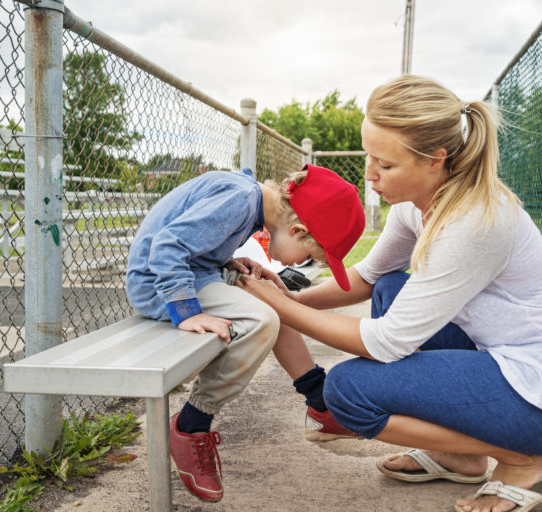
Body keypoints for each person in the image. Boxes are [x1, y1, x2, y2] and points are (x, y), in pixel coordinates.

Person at [237, 75, 542, 512]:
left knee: (348, 391)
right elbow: (369, 277)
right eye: (369, 156)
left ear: (435, 160)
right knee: (392, 287)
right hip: (507, 364)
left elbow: (386, 342)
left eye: (385, 165)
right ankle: (461, 457)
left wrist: (280, 309)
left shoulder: (472, 222)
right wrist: (291, 298)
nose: (370, 175)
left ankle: (523, 457)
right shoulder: (415, 204)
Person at [126, 164, 364, 502]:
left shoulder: (246, 197)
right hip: (161, 287)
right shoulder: (238, 199)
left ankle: (320, 405)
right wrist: (187, 312)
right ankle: (191, 425)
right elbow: (167, 246)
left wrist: (226, 261)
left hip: (192, 274)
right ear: (297, 230)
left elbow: (194, 241)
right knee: (261, 319)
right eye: (310, 257)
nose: (298, 265)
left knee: (274, 298)